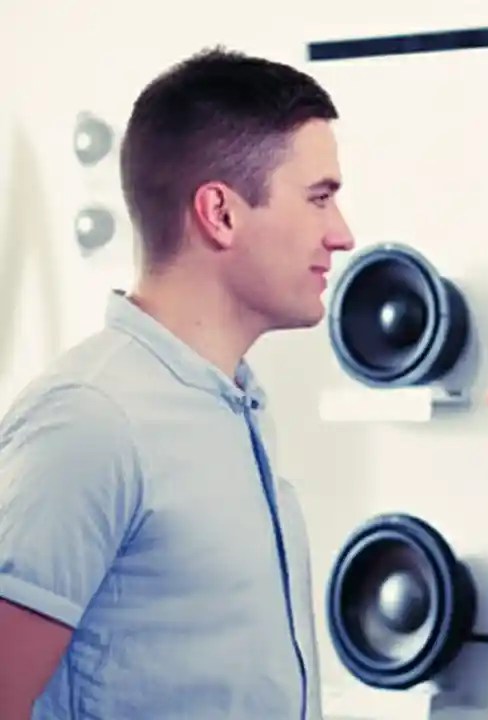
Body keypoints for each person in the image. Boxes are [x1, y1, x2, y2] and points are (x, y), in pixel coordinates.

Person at [0, 48, 354, 719]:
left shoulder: (235, 408)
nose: (342, 234)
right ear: (221, 213)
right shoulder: (90, 420)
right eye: (319, 199)